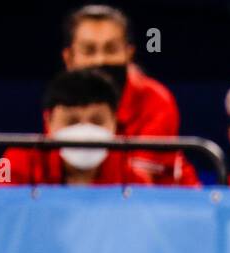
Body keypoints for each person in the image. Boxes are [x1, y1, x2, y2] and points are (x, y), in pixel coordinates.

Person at [60, 4, 198, 185]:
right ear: (69, 58)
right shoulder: (59, 102)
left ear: (128, 53)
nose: (100, 60)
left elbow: (138, 186)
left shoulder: (156, 100)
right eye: (89, 50)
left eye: (111, 49)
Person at [0, 69, 152, 186]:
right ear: (48, 121)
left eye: (97, 121)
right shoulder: (17, 160)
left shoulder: (132, 179)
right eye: (71, 122)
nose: (85, 133)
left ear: (115, 122)